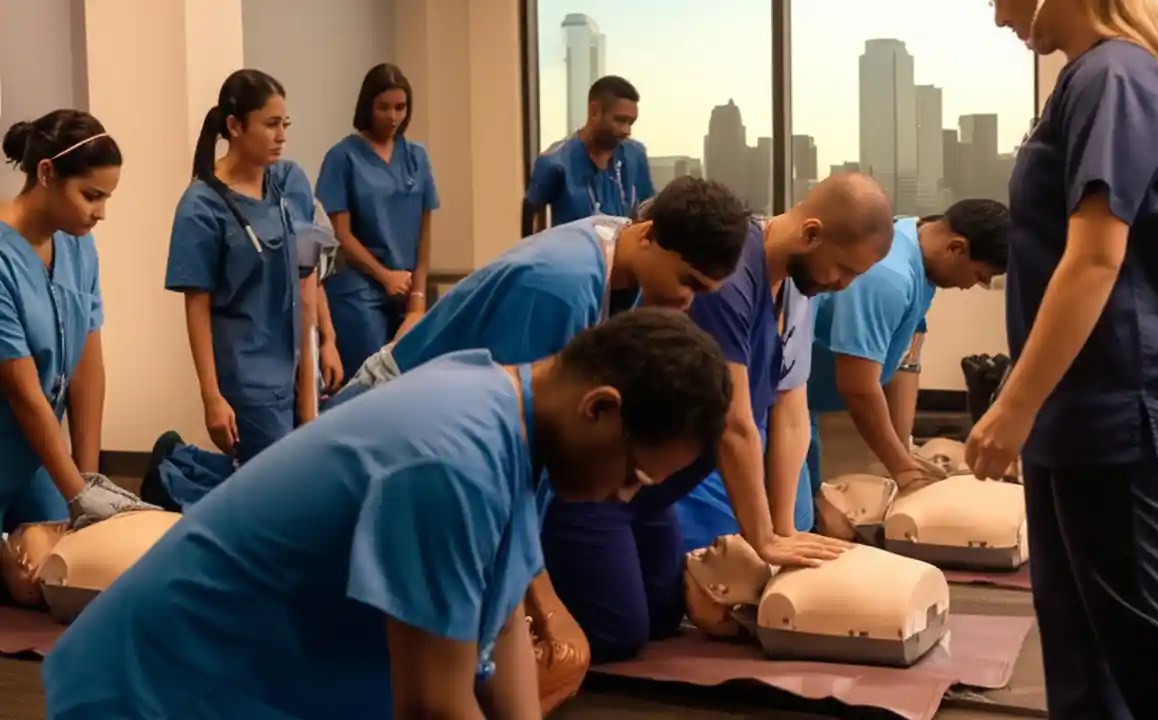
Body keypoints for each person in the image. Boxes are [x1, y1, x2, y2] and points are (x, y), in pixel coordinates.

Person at [42, 308, 733, 720]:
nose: (625, 499)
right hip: (155, 695)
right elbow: (433, 707)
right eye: (635, 477)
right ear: (600, 408)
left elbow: (500, 631)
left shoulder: (522, 423)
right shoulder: (452, 459)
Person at [968, 1, 1158, 718]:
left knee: (1139, 640)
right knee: (1080, 637)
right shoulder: (1087, 76)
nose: (998, 18)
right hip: (1077, 403)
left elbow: (1093, 260)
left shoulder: (1115, 76)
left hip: (1113, 403)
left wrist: (1012, 405)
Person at [542, 172, 895, 662]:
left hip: (650, 495)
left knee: (665, 617)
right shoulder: (729, 274)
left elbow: (788, 406)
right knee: (620, 634)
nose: (841, 285)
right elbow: (734, 424)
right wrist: (765, 538)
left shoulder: (789, 288)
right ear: (812, 234)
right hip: (602, 487)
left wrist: (785, 527)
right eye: (843, 270)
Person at [327, 175, 748, 409]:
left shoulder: (620, 249)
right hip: (389, 411)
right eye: (687, 281)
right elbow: (515, 424)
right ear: (649, 235)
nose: (687, 301)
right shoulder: (560, 286)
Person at [144, 69, 334, 511]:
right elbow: (197, 307)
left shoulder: (290, 182)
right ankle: (173, 480)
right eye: (270, 124)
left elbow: (308, 274)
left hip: (295, 360)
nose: (281, 136)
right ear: (234, 126)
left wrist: (326, 343)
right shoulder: (202, 205)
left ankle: (179, 467)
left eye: (285, 124)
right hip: (246, 375)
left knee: (292, 476)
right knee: (276, 497)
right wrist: (212, 396)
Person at [0, 111, 154, 533]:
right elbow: (22, 390)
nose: (100, 212)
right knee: (26, 575)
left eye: (106, 198)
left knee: (80, 559)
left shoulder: (77, 247)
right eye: (91, 195)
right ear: (47, 173)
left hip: (35, 461)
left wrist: (89, 484)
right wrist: (76, 497)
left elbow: (88, 369)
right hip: (12, 439)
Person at [807, 200, 1009, 490]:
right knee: (797, 516)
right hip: (780, 399)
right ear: (956, 247)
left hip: (807, 403)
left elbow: (907, 353)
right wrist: (901, 468)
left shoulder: (917, 248)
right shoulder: (889, 275)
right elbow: (858, 387)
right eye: (978, 276)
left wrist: (904, 450)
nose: (970, 286)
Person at [317, 63, 441, 379]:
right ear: (368, 106)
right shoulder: (343, 157)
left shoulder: (417, 156)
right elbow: (340, 233)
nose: (393, 116)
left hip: (408, 287)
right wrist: (385, 276)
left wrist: (417, 300)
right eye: (384, 107)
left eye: (400, 107)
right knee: (371, 380)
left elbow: (424, 231)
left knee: (412, 376)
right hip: (358, 290)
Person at [523, 75, 654, 235]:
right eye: (619, 120)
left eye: (630, 123)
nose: (626, 130)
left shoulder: (635, 154)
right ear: (594, 112)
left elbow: (648, 211)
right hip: (575, 256)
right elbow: (530, 214)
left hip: (624, 256)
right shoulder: (555, 162)